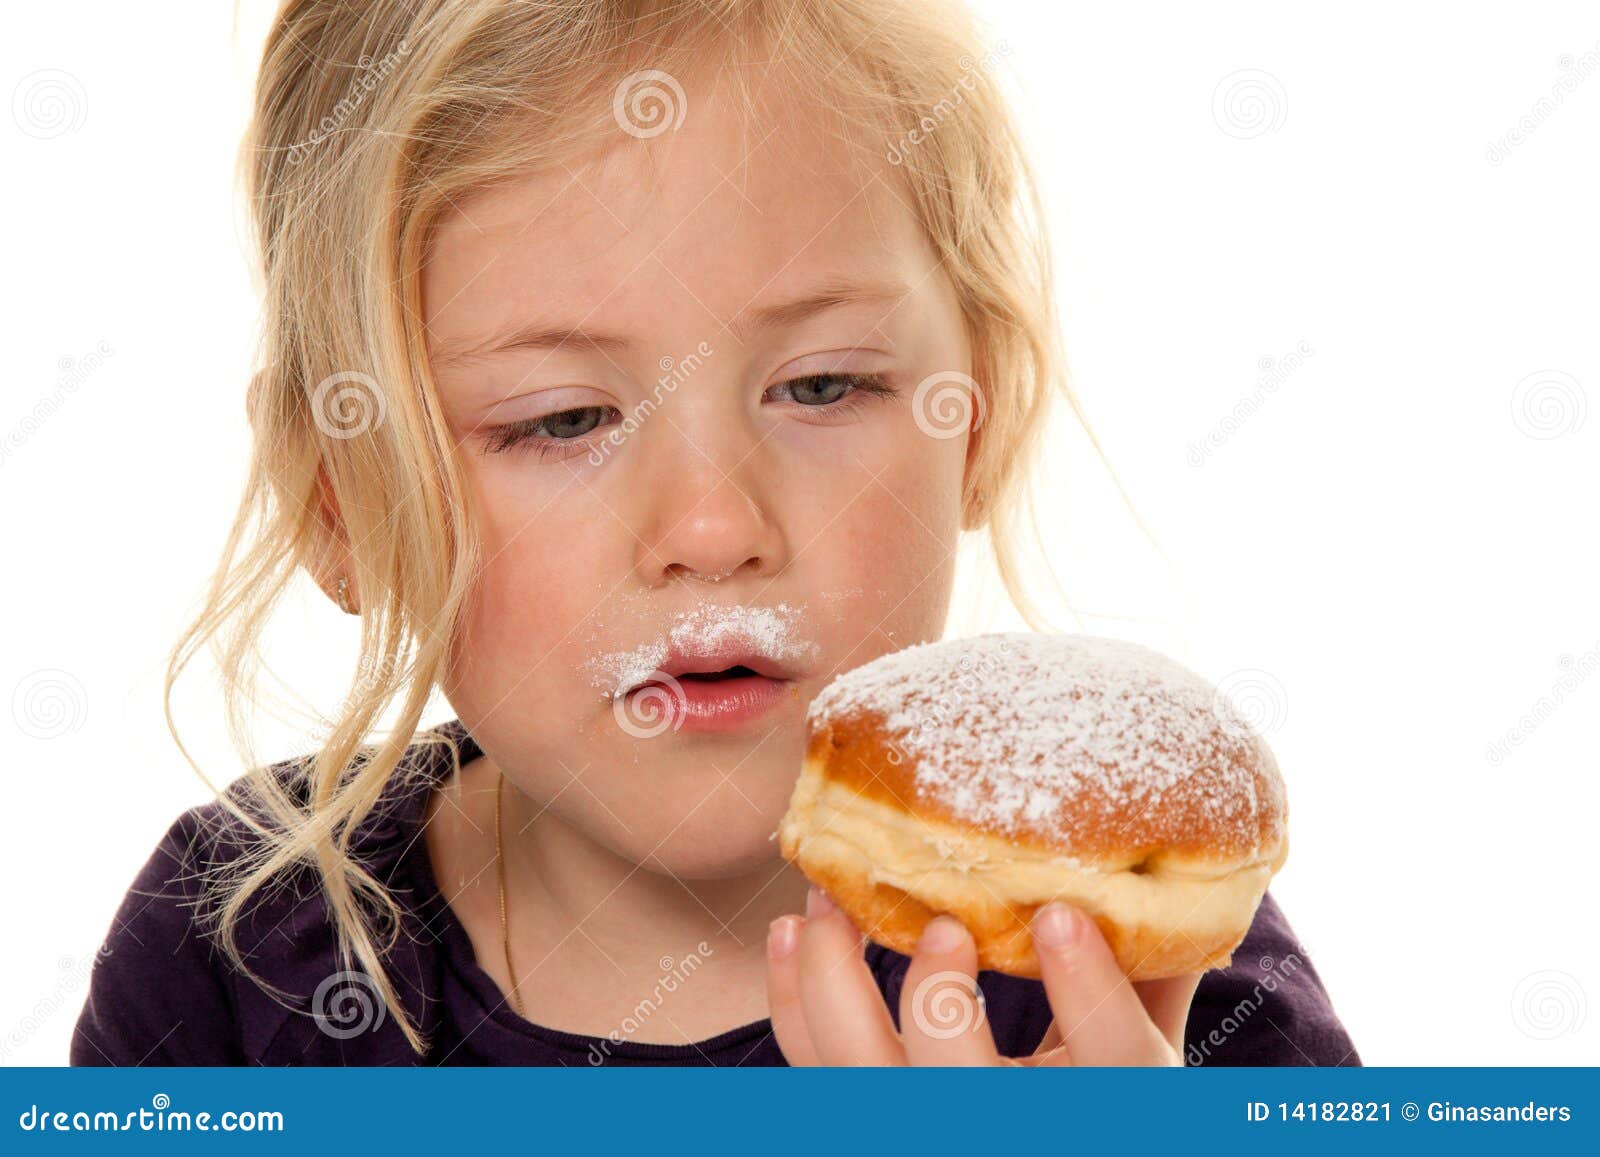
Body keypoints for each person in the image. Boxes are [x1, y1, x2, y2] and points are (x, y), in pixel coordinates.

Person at [72, 0, 1358, 1067]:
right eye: (562, 417)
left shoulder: (1137, 981)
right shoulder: (238, 966)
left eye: (821, 386)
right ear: (335, 502)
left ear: (981, 419)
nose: (711, 527)